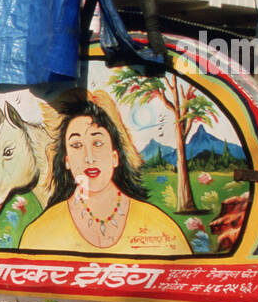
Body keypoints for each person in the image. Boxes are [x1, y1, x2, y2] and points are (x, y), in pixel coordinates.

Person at [18, 90, 191, 255]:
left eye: (98, 143)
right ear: (67, 161)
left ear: (115, 156)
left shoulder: (161, 227)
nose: (89, 157)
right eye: (77, 145)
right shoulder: (39, 234)